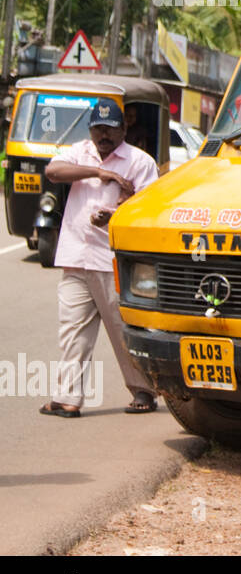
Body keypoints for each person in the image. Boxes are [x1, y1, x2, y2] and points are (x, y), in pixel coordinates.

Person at [40, 99, 160, 417]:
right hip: (76, 256)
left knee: (122, 329)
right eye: (98, 128)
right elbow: (53, 171)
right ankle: (68, 398)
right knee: (72, 331)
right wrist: (98, 172)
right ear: (90, 129)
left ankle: (144, 392)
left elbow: (149, 208)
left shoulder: (140, 162)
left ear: (124, 129)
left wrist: (116, 214)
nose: (103, 135)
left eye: (110, 129)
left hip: (113, 261)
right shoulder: (80, 152)